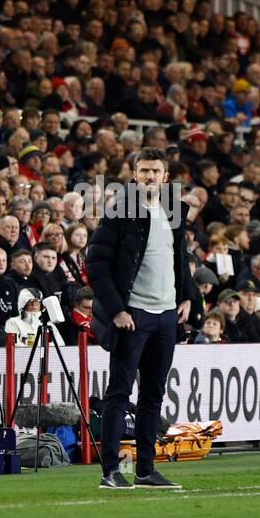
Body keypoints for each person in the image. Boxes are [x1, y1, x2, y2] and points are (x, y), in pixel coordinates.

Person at [86, 148, 198, 489]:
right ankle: (110, 472)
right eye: (144, 170)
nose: (150, 176)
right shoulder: (120, 211)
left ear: (166, 176)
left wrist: (189, 297)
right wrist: (118, 310)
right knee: (119, 394)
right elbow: (96, 265)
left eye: (156, 171)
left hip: (166, 316)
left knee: (153, 395)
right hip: (133, 316)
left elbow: (179, 260)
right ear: (134, 175)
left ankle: (146, 470)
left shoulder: (173, 210)